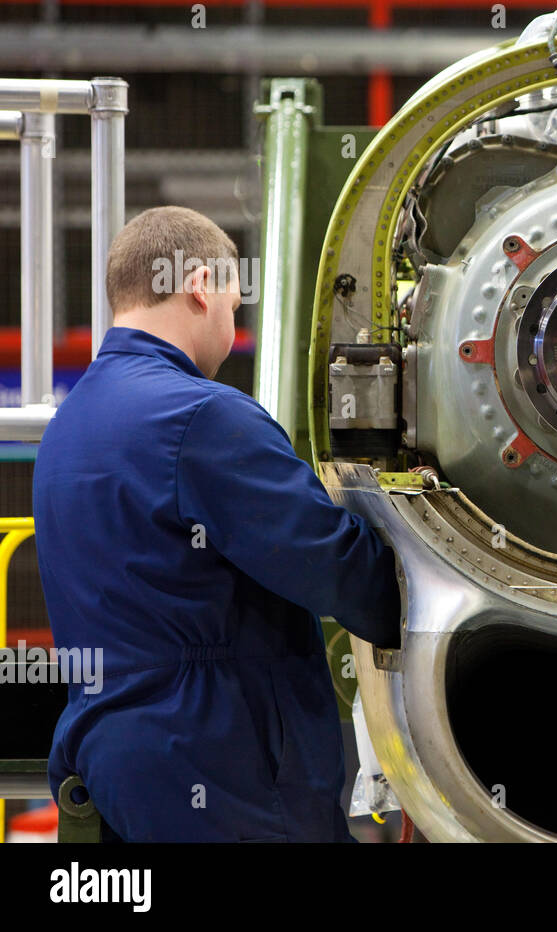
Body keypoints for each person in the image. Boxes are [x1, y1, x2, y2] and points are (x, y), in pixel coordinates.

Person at [33, 206, 402, 842]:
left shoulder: (70, 424)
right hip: (223, 767)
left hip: (120, 762)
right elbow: (334, 568)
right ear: (199, 284)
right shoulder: (200, 417)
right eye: (234, 306)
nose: (234, 325)